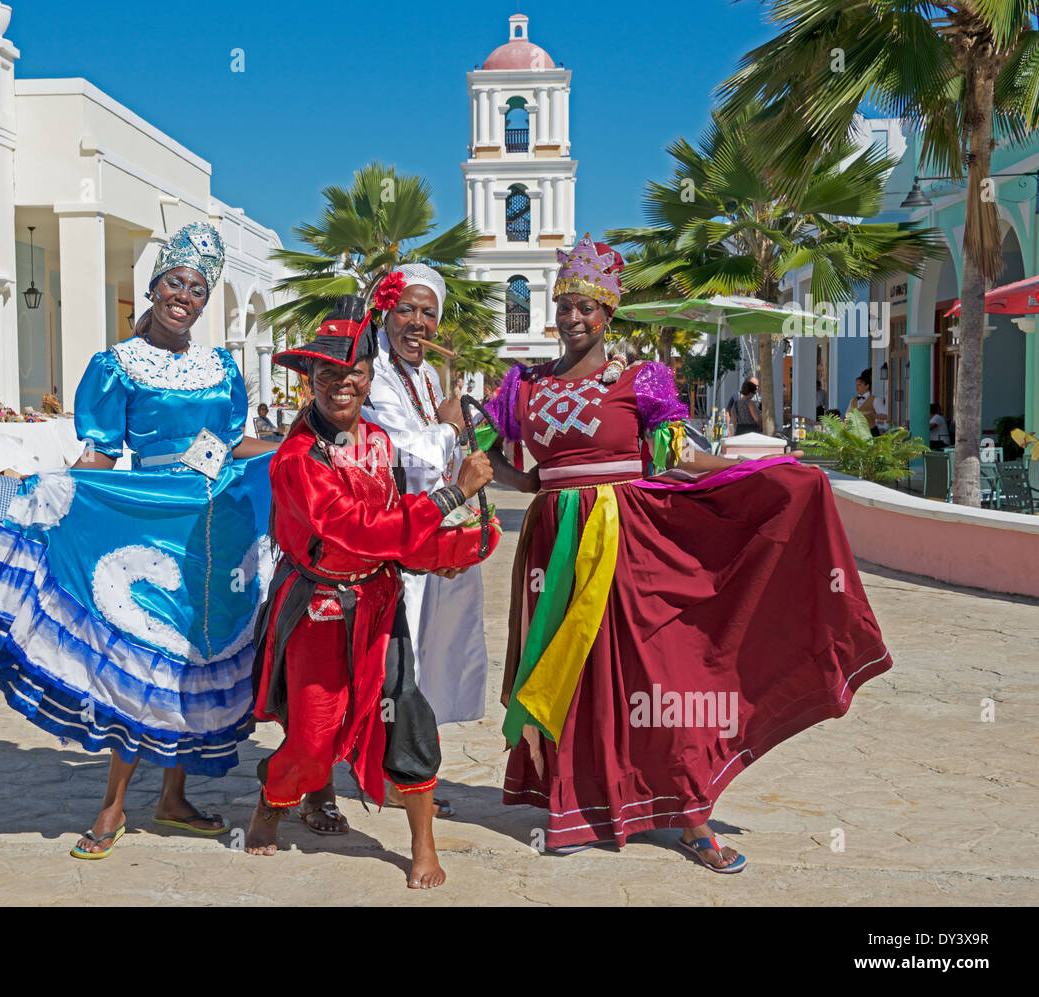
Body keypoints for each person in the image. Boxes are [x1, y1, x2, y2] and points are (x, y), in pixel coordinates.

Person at [482, 233, 891, 871]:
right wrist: (468, 448)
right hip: (550, 544)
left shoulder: (640, 381)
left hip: (627, 539)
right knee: (574, 671)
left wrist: (765, 471)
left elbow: (681, 460)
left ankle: (690, 813)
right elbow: (528, 476)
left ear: (607, 314)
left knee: (654, 672)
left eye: (587, 307)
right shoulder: (524, 387)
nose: (573, 318)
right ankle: (585, 801)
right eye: (565, 305)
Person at [0, 222, 277, 859]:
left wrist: (296, 454)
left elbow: (233, 444)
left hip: (213, 527)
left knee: (191, 660)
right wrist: (54, 487)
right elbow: (98, 457)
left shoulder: (221, 366)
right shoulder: (114, 365)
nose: (186, 296)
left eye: (199, 289)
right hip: (145, 524)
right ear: (154, 287)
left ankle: (173, 799)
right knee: (141, 656)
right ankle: (113, 806)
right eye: (176, 282)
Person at [245, 295, 499, 889]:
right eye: (328, 373)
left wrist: (455, 551)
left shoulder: (379, 441)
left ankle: (422, 846)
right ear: (309, 380)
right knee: (311, 740)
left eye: (354, 371)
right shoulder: (297, 458)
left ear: (368, 372)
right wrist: (453, 497)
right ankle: (272, 798)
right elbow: (355, 532)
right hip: (318, 609)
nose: (343, 384)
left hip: (380, 606)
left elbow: (392, 540)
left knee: (407, 716)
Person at [360, 264, 488, 816]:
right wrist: (452, 428)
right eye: (406, 310)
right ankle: (390, 773)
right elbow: (408, 454)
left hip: (434, 528)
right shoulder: (375, 375)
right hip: (392, 534)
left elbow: (444, 455)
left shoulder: (430, 378)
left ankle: (410, 770)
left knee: (427, 652)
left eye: (428, 312)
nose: (417, 322)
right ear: (386, 313)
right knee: (395, 657)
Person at [846, 368, 886, 436]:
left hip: (871, 431)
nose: (857, 387)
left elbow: (884, 416)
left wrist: (871, 415)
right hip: (856, 433)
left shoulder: (875, 400)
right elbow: (847, 414)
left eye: (859, 385)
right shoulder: (853, 400)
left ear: (867, 386)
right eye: (856, 385)